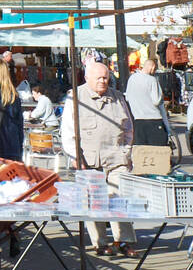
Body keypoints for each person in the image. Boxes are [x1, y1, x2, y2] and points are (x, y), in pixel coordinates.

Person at [59, 61, 138, 258]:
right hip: (89, 159)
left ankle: (124, 240)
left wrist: (126, 151)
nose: (103, 81)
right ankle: (100, 243)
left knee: (120, 199)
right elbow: (68, 131)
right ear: (87, 78)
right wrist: (75, 155)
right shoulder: (75, 97)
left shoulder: (118, 97)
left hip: (117, 158)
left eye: (105, 77)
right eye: (99, 78)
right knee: (94, 201)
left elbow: (128, 128)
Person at [125, 53, 174, 148]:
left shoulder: (132, 78)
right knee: (158, 150)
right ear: (152, 67)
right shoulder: (152, 80)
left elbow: (127, 97)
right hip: (153, 119)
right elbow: (156, 101)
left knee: (142, 150)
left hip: (137, 119)